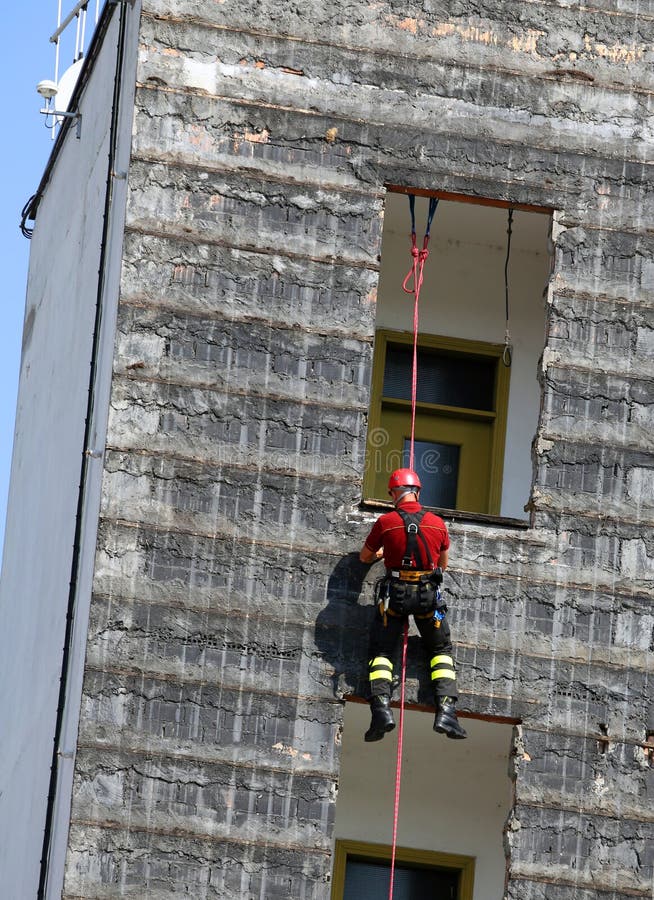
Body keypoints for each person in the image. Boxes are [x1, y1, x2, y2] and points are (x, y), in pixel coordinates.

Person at [358, 468, 467, 742]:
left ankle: (381, 710)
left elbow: (364, 557)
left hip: (394, 594)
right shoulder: (437, 523)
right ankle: (446, 712)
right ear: (418, 491)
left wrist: (384, 553)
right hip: (427, 594)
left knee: (382, 650)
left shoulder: (386, 522)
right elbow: (442, 564)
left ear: (394, 494)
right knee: (440, 649)